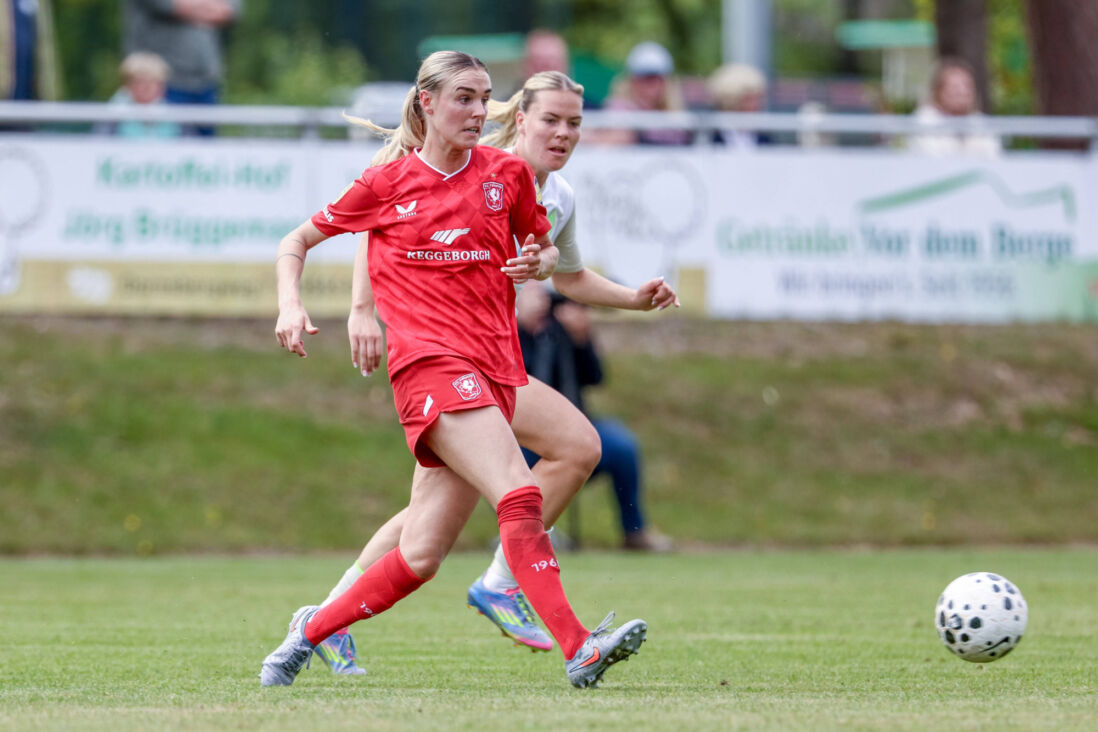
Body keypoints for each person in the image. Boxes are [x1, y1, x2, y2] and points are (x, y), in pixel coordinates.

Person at [260, 53, 650, 690]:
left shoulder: (507, 175)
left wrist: (538, 262)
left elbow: (543, 248)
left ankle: (308, 631)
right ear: (427, 102)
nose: (477, 111)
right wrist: (293, 303)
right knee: (520, 495)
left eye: (484, 98)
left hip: (497, 371)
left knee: (418, 556)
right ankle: (579, 647)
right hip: (431, 367)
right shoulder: (387, 182)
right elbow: (294, 242)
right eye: (464, 98)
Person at [516, 283, 673, 552]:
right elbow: (510, 375)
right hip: (525, 432)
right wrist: (521, 328)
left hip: (575, 424)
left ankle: (635, 531)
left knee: (623, 446)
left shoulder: (565, 333)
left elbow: (595, 377)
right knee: (504, 457)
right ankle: (521, 534)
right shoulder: (514, 331)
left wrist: (581, 339)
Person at [123, 0, 239, 136]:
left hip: (206, 80)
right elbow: (165, 5)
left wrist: (188, 9)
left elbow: (230, 10)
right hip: (159, 83)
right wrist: (207, 7)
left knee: (206, 149)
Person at [596, 41, 692, 146]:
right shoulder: (620, 109)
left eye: (658, 78)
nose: (653, 85)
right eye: (645, 78)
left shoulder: (675, 116)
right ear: (632, 81)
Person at [909, 58, 1001, 157]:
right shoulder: (924, 122)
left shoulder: (980, 124)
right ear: (938, 91)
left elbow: (994, 158)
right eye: (954, 87)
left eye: (967, 86)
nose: (962, 92)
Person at [102, 52, 182, 139]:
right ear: (127, 85)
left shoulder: (176, 117)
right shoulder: (113, 116)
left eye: (152, 82)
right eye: (139, 82)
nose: (145, 88)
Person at [1, 0, 60, 101]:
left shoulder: (40, 3)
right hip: (5, 93)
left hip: (32, 94)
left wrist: (50, 91)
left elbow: (46, 44)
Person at [707, 62, 771, 149]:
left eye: (758, 98)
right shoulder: (708, 138)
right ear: (731, 101)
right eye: (749, 99)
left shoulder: (765, 139)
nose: (757, 105)